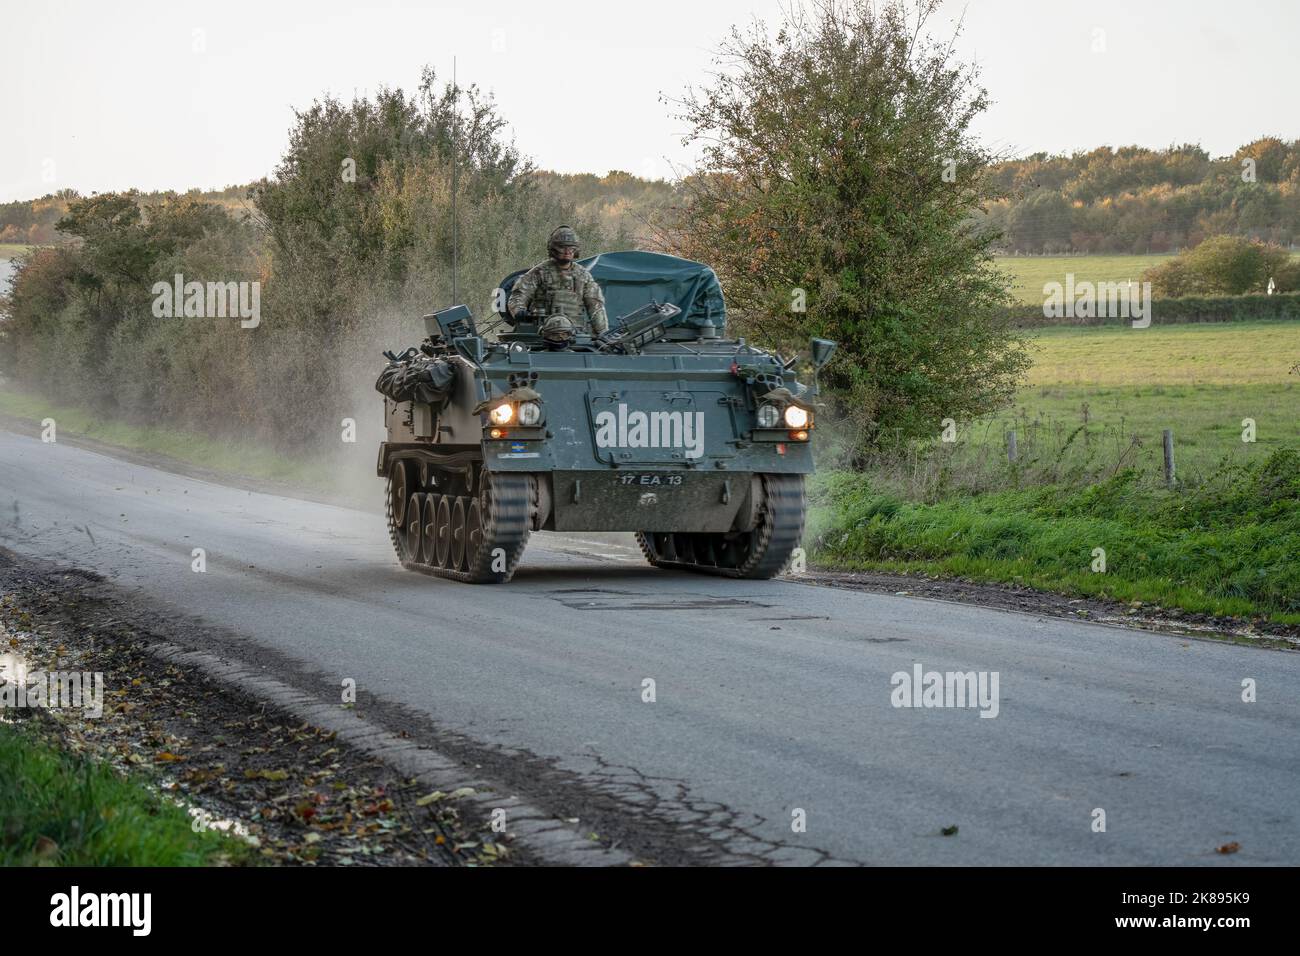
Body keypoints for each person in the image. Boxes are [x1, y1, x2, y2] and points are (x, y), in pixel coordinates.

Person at [507, 226, 609, 336]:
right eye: (562, 247)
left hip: (574, 335)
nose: (567, 251)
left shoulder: (583, 276)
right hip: (542, 333)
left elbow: (595, 307)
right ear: (553, 249)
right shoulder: (539, 272)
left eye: (571, 248)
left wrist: (603, 333)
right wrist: (519, 312)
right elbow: (519, 296)